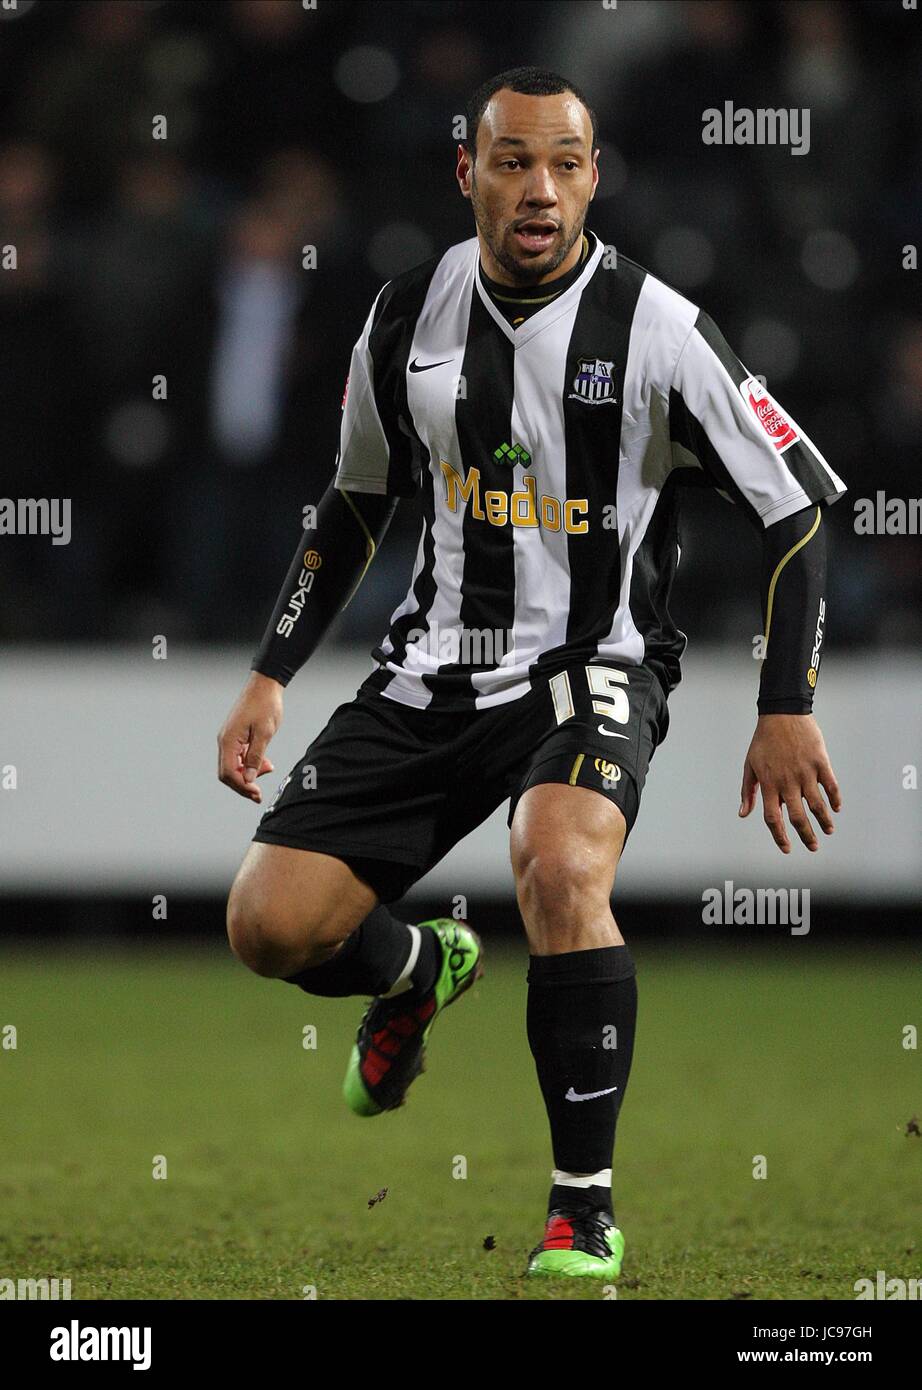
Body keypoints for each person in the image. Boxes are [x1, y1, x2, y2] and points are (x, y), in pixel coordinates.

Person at [218, 66, 845, 1281]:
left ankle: (582, 1204)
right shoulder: (405, 315)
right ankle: (416, 967)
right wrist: (271, 669)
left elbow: (800, 511)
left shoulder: (658, 327)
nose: (539, 189)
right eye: (511, 162)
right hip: (433, 670)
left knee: (559, 866)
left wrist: (786, 705)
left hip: (594, 663)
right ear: (468, 176)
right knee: (267, 928)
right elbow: (354, 501)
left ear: (594, 176)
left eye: (565, 162)